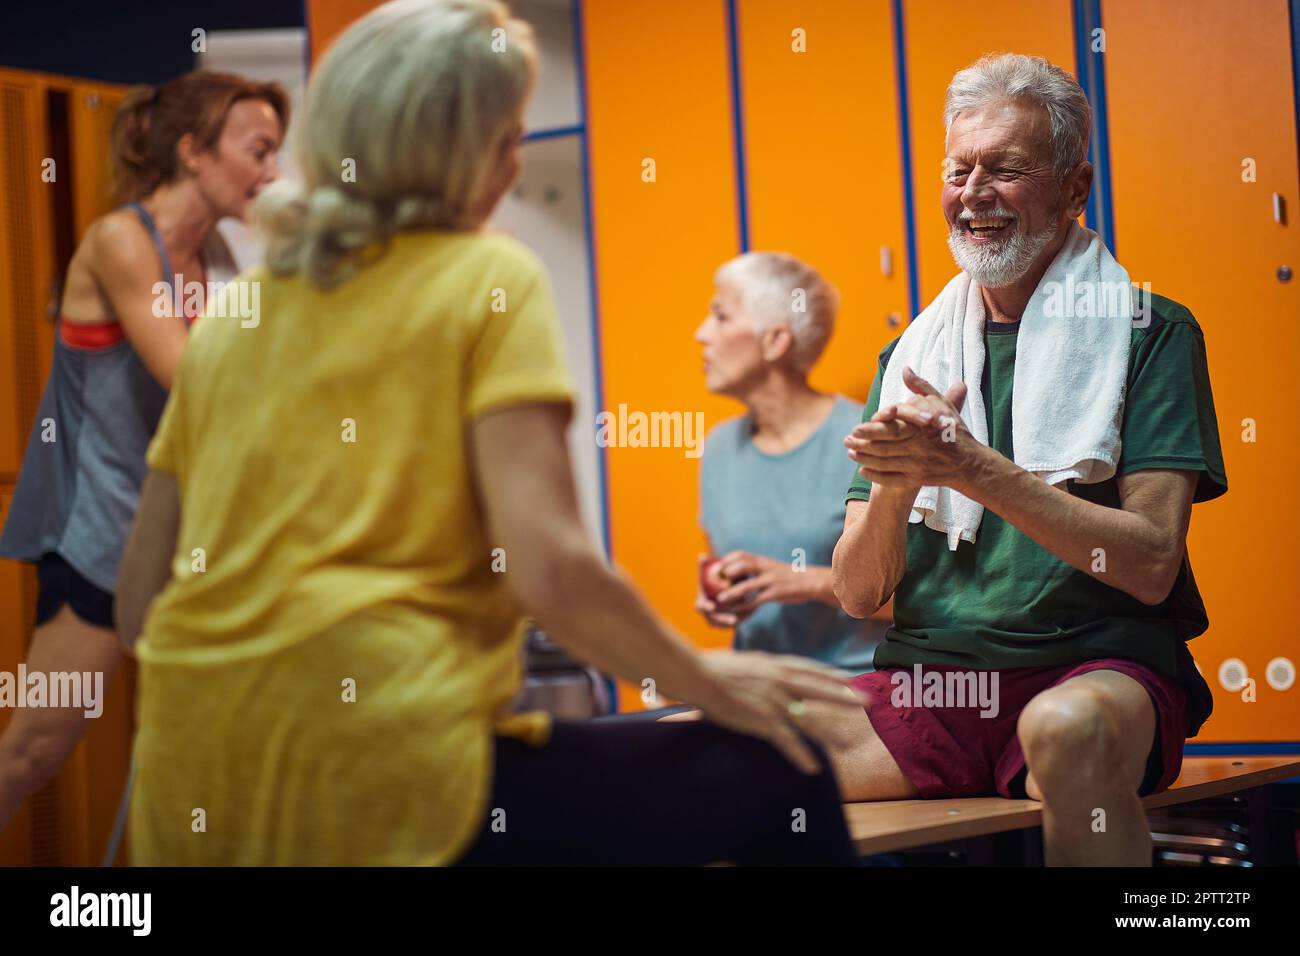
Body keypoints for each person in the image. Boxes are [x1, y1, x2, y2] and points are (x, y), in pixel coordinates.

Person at [115, 0, 862, 867]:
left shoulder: (234, 316)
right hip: (390, 783)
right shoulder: (484, 275)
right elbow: (551, 569)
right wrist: (709, 679)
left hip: (190, 789)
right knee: (786, 764)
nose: (514, 171)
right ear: (452, 151)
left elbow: (139, 609)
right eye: (507, 141)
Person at [0, 69, 287, 832]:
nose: (273, 172)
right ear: (193, 152)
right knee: (32, 751)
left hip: (184, 535)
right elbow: (200, 387)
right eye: (258, 151)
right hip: (99, 534)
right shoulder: (121, 243)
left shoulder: (219, 255)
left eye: (276, 155)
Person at [695, 252, 881, 672]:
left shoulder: (867, 440)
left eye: (721, 316)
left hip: (856, 687)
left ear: (776, 340)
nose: (701, 334)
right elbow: (738, 574)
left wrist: (805, 582)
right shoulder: (719, 448)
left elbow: (920, 600)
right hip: (761, 687)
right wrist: (721, 597)